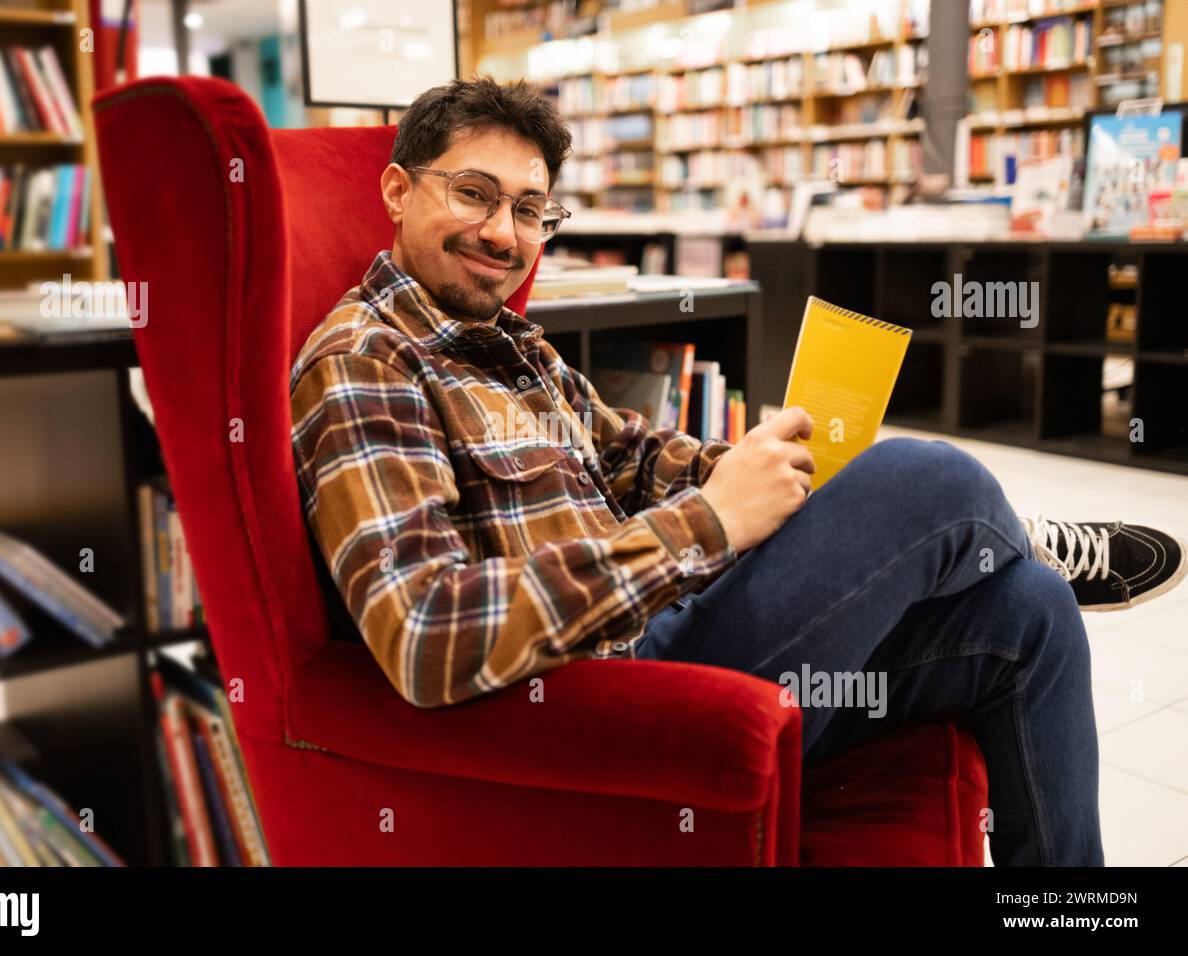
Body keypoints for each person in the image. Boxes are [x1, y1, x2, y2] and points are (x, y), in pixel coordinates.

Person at [289, 76, 1187, 867]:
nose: (502, 231)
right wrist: (711, 523)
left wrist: (771, 473)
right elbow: (424, 633)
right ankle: (1026, 537)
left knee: (1031, 611)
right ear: (398, 191)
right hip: (610, 695)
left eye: (530, 209)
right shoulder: (367, 360)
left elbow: (632, 456)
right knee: (931, 480)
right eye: (475, 193)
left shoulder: (510, 344)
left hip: (670, 632)